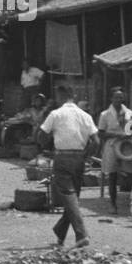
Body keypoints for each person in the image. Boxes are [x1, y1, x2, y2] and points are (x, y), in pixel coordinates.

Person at [37, 86, 99, 249]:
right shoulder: (85, 116)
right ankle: (60, 231)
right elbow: (97, 142)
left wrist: (47, 145)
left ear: (59, 96)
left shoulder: (55, 114)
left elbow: (41, 136)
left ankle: (81, 235)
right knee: (72, 198)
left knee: (69, 196)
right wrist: (86, 155)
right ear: (73, 96)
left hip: (62, 157)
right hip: (79, 158)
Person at [97, 87, 132, 214]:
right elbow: (101, 134)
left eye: (120, 97)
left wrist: (128, 135)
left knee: (131, 173)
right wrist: (117, 135)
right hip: (111, 146)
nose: (119, 99)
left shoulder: (131, 113)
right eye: (116, 97)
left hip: (127, 145)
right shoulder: (105, 114)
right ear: (111, 99)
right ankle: (113, 204)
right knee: (112, 175)